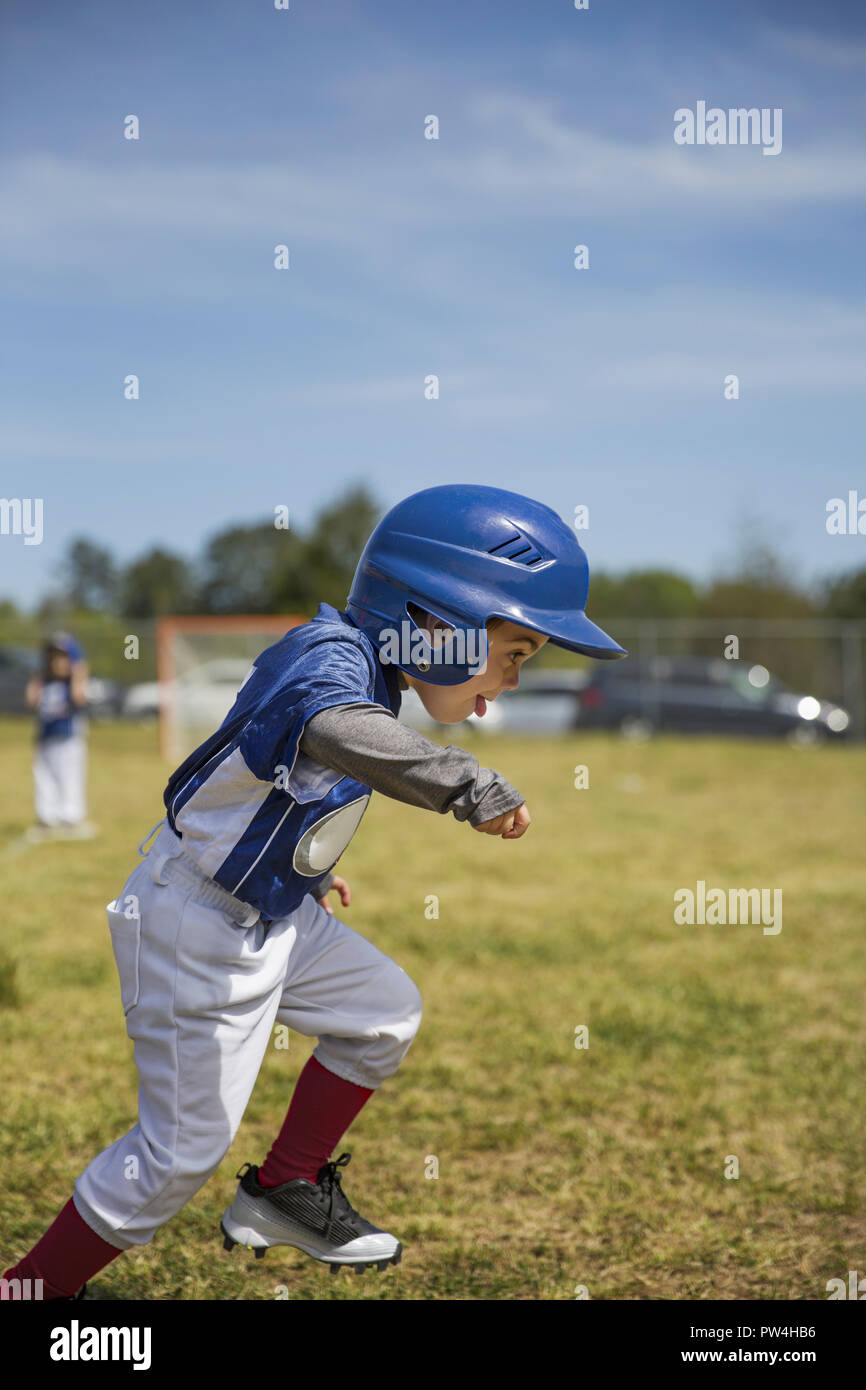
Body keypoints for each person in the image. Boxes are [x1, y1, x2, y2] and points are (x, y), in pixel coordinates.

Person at [1, 484, 626, 1301]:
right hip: (199, 921)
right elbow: (333, 726)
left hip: (270, 912)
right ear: (438, 620)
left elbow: (279, 784)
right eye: (512, 653)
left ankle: (283, 1191)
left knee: (384, 1012)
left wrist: (313, 870)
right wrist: (467, 784)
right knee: (178, 1154)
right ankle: (30, 1289)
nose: (507, 680)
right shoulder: (326, 656)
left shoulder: (374, 670)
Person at [24, 631, 95, 840]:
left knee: (70, 776)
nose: (57, 663)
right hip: (46, 737)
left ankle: (71, 817)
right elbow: (31, 701)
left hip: (69, 738)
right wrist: (37, 678)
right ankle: (47, 818)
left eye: (62, 658)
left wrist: (78, 674)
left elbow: (79, 698)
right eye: (52, 658)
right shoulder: (45, 682)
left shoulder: (71, 684)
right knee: (44, 776)